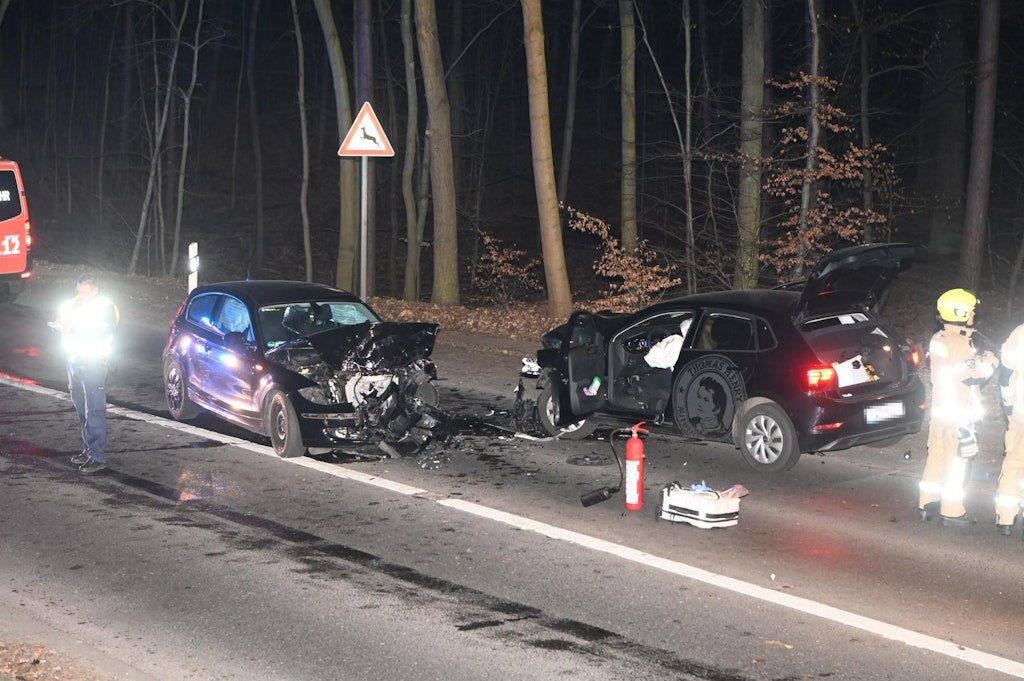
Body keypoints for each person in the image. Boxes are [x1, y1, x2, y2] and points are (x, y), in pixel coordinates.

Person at [919, 288, 998, 527]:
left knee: (936, 457)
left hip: (941, 411)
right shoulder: (959, 343)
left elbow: (952, 368)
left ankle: (927, 503)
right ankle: (952, 512)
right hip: (959, 414)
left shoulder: (939, 338)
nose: (974, 313)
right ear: (959, 313)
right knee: (957, 462)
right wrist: (990, 362)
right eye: (970, 310)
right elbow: (972, 376)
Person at [51, 273, 120, 474]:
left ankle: (98, 457)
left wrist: (73, 330)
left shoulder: (107, 307)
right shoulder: (72, 304)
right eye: (79, 290)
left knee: (95, 410)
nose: (80, 294)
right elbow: (63, 325)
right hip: (74, 360)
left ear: (95, 290)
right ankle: (89, 449)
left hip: (94, 363)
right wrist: (59, 327)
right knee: (82, 408)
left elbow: (102, 332)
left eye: (84, 291)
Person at [996, 322, 1024, 535]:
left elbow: (1005, 373)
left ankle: (1006, 518)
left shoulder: (1019, 332)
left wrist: (1008, 406)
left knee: (1014, 463)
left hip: (1020, 412)